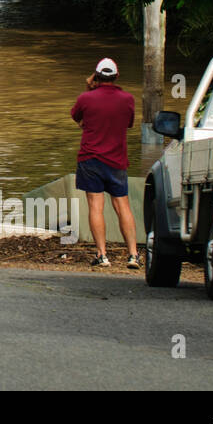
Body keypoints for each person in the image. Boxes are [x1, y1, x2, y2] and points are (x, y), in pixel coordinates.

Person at [71, 57, 139, 268]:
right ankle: (133, 255)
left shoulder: (86, 98)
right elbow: (128, 124)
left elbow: (77, 118)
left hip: (91, 159)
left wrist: (88, 88)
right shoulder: (128, 99)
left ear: (96, 76)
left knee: (95, 207)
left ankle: (102, 255)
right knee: (122, 206)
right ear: (117, 76)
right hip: (117, 161)